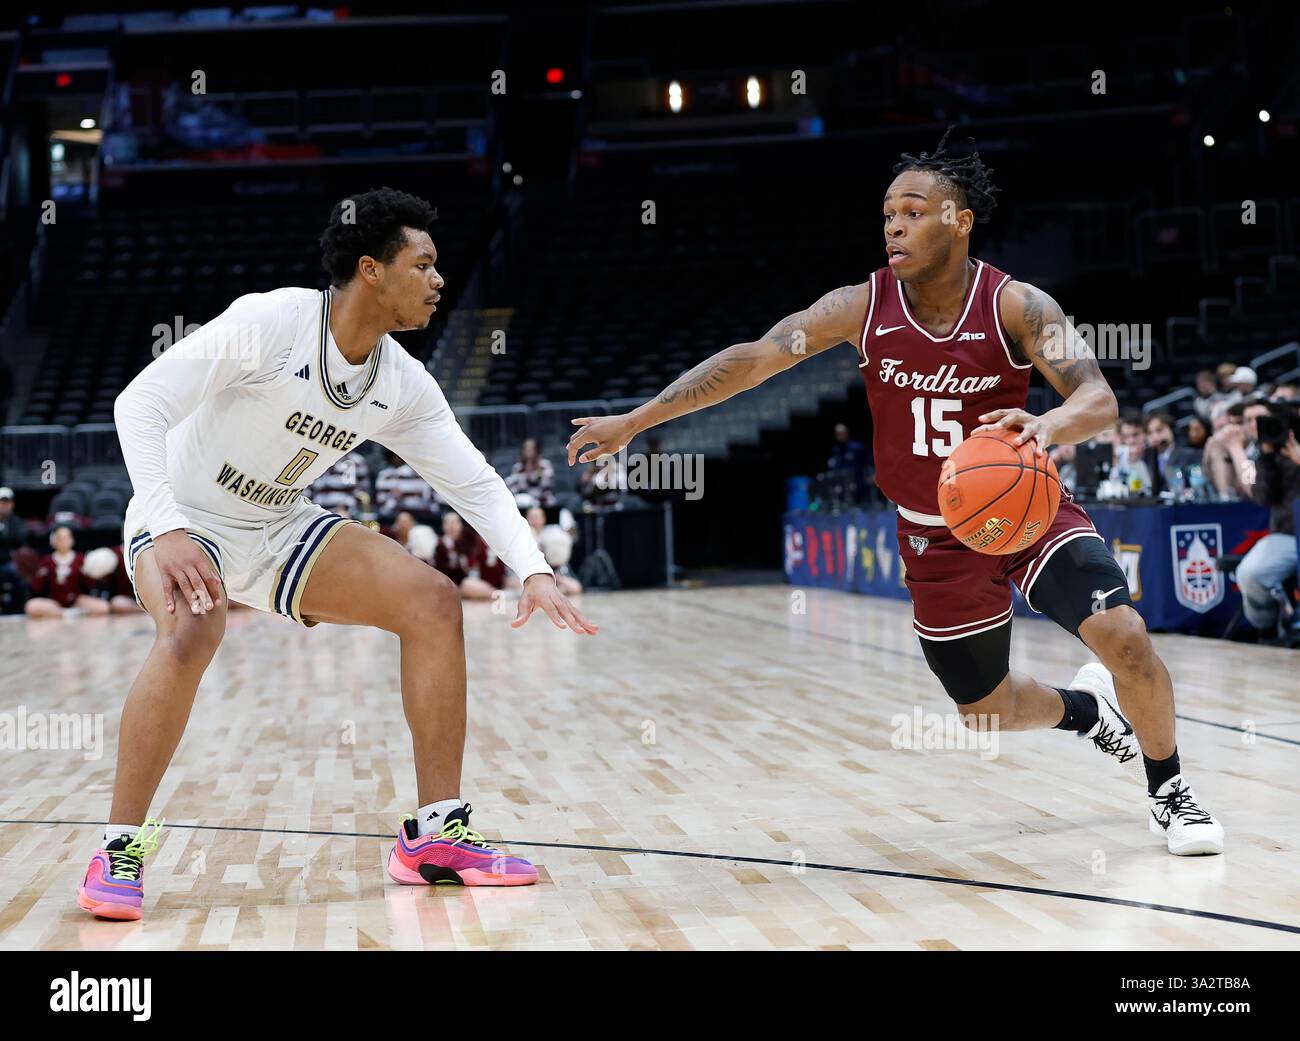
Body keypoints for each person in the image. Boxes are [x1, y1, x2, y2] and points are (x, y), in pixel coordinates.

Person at [569, 129, 1222, 855]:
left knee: (1124, 637)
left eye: (912, 212)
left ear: (959, 220)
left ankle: (1171, 791)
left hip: (1027, 507)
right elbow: (753, 361)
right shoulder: (861, 307)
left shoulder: (1016, 305)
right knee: (986, 708)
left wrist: (1050, 421)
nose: (895, 228)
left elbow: (1099, 398)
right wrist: (636, 418)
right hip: (933, 533)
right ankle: (1088, 711)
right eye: (887, 217)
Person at [84, 188, 598, 922]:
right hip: (185, 514)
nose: (438, 279)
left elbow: (472, 479)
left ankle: (434, 836)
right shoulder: (270, 323)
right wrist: (165, 526)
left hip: (278, 525)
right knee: (195, 627)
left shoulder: (400, 383)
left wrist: (534, 568)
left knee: (432, 600)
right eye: (423, 264)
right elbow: (137, 405)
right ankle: (119, 846)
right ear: (371, 270)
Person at [1236, 405, 1300, 638]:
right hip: (1284, 532)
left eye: (1260, 418)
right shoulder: (1257, 451)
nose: (1255, 423)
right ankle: (1270, 626)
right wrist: (1237, 451)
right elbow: (1254, 492)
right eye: (1249, 419)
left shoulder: (1290, 440)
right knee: (1250, 573)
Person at [25, 525, 109, 618]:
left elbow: (91, 584)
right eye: (60, 538)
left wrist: (90, 573)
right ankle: (64, 613)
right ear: (54, 541)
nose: (63, 541)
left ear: (72, 540)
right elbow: (37, 587)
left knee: (103, 607)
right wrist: (41, 574)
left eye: (66, 538)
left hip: (76, 600)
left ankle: (72, 612)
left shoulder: (80, 558)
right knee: (31, 606)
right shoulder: (47, 560)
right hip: (54, 602)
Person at [1142, 412, 1200, 495]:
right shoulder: (1147, 457)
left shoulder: (1188, 454)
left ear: (1172, 429)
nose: (1155, 436)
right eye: (1150, 433)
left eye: (1159, 430)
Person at [504, 438, 556, 508]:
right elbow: (510, 483)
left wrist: (530, 474)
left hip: (542, 498)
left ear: (536, 450)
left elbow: (545, 482)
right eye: (526, 448)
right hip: (524, 499)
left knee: (550, 501)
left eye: (531, 448)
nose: (528, 450)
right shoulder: (518, 467)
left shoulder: (543, 465)